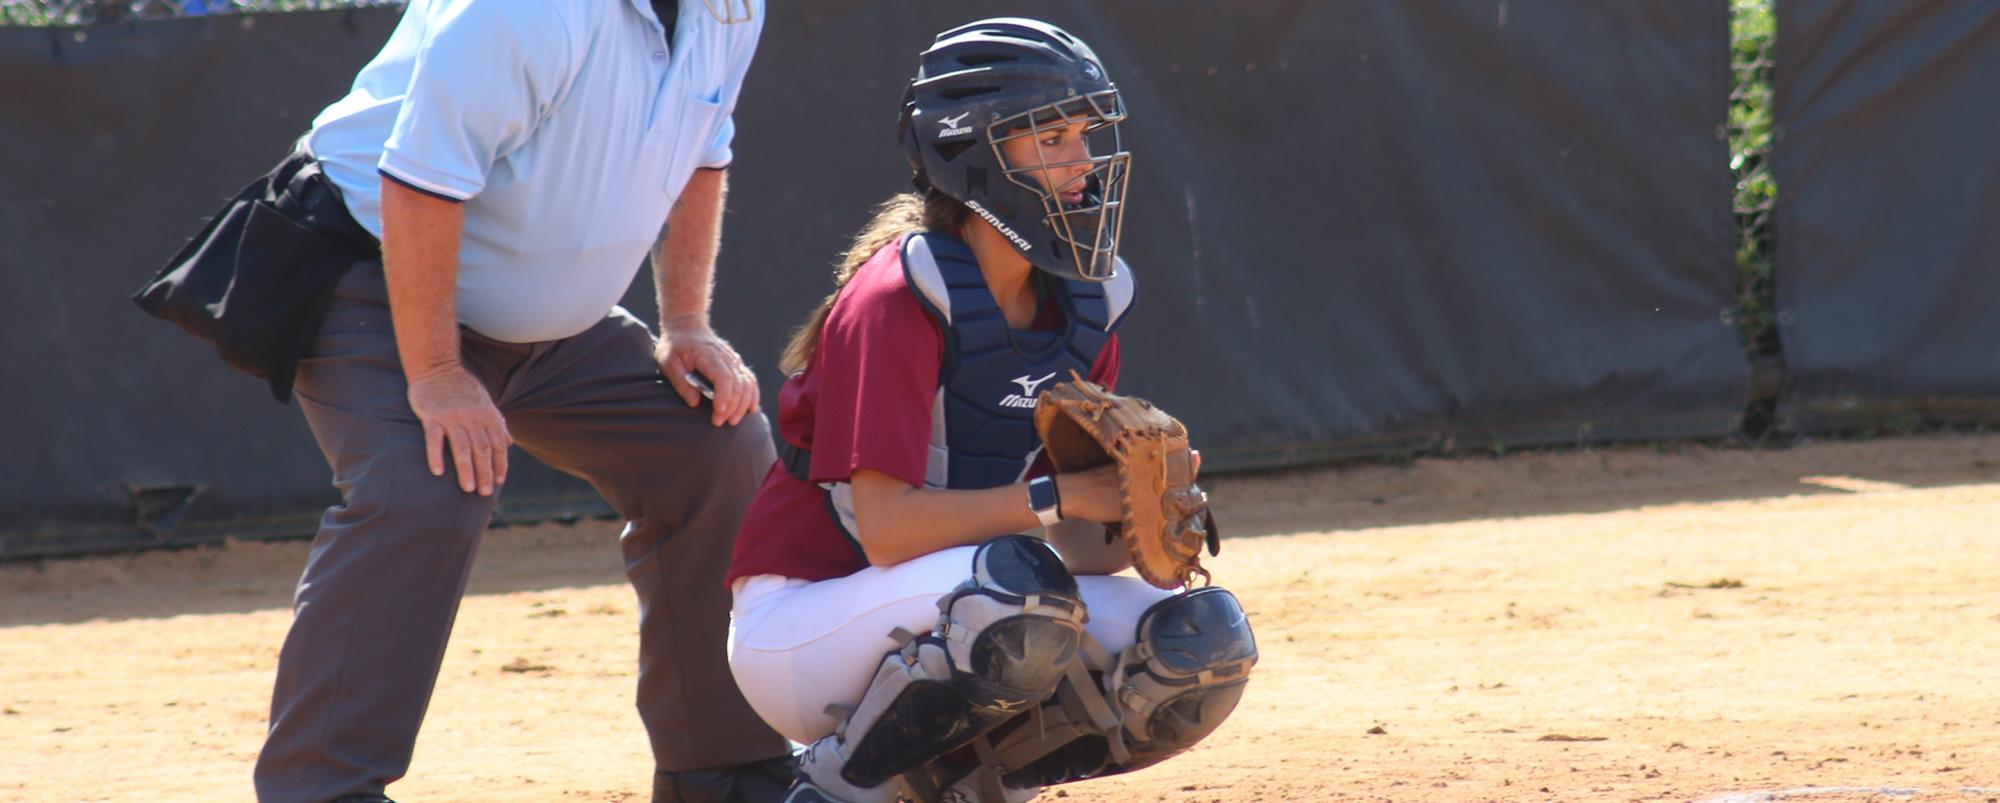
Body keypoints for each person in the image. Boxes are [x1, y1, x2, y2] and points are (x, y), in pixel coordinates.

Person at [245, 0, 792, 800]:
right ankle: (319, 789)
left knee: (715, 449)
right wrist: (434, 373)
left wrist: (684, 322)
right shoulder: (526, 9)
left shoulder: (730, 7)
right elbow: (416, 181)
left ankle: (725, 770)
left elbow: (702, 154)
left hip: (550, 322)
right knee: (424, 481)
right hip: (369, 267)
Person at [721, 18, 1258, 803]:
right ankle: (835, 788)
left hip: (954, 599)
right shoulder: (901, 296)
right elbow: (887, 529)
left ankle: (974, 785)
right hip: (804, 621)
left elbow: (1075, 548)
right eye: (1049, 138)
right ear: (971, 153)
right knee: (1022, 597)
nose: (1081, 162)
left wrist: (1133, 516)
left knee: (1197, 643)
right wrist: (1058, 498)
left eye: (1083, 133)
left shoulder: (1086, 299)